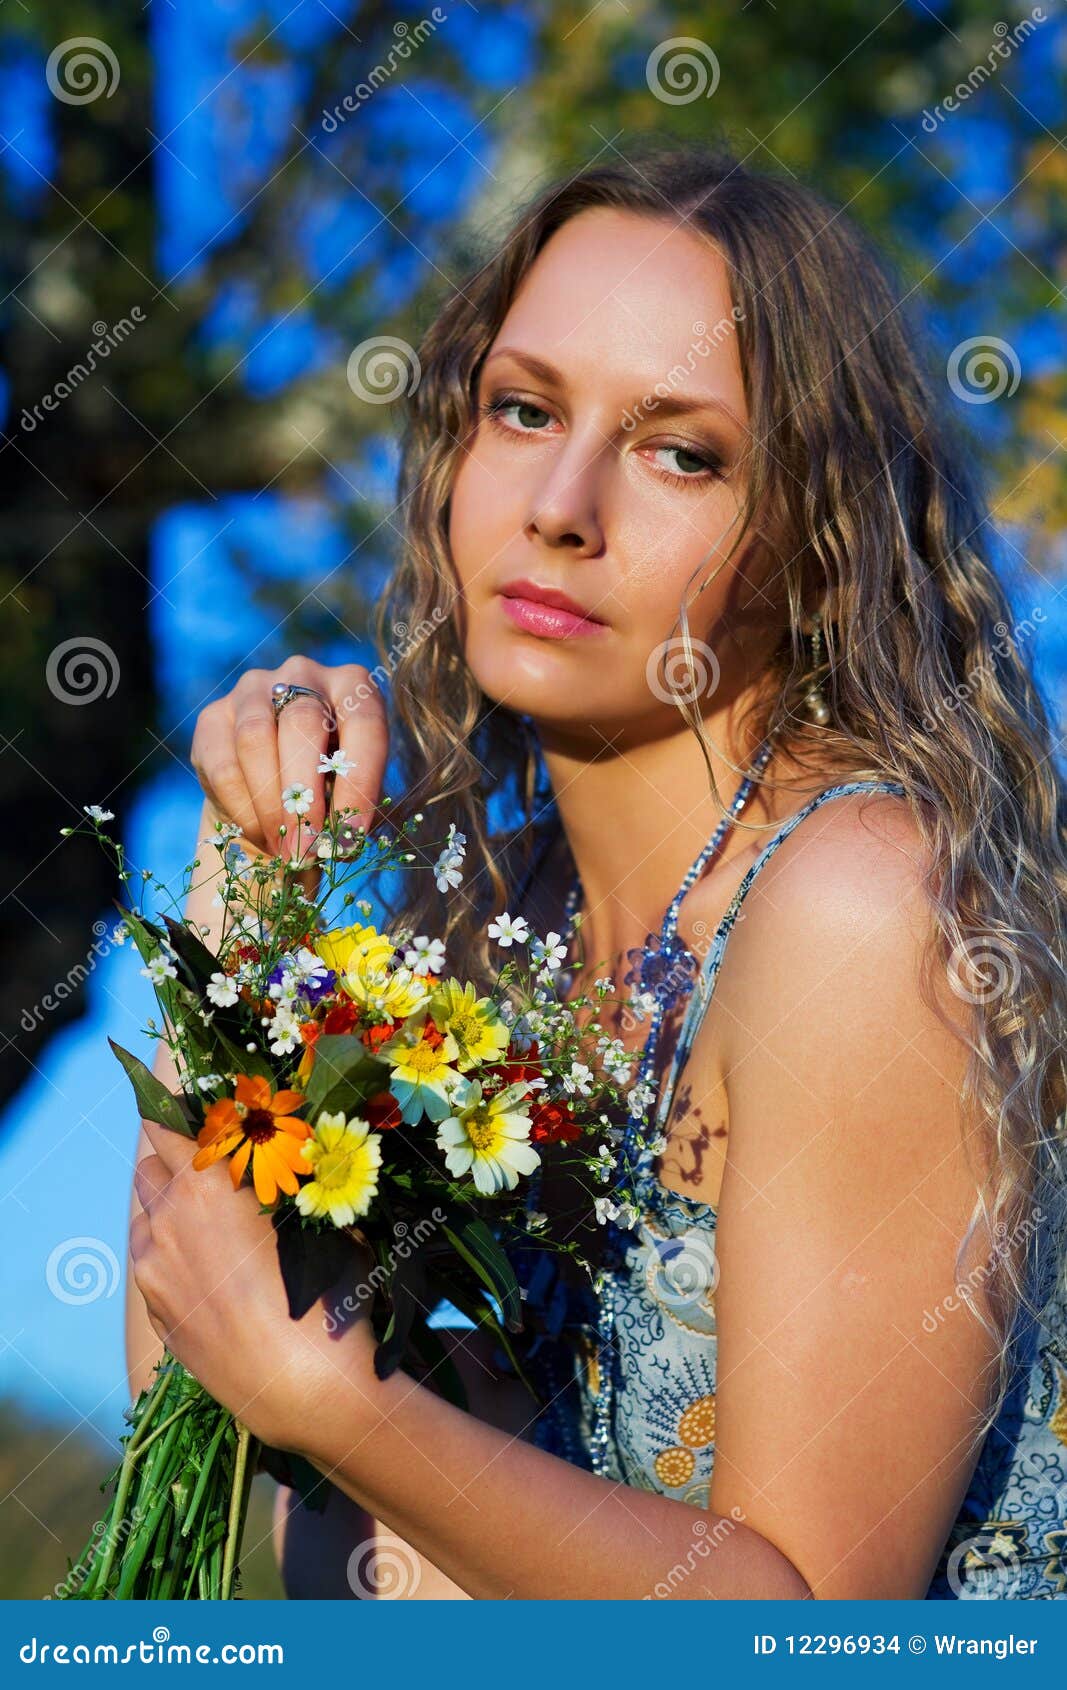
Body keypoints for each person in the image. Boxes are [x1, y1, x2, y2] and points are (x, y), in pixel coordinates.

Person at [126, 140, 1067, 1600]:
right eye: (523, 410)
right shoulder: (473, 929)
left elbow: (805, 1632)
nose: (563, 505)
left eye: (680, 450)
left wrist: (343, 1408)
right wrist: (248, 894)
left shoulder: (859, 902)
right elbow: (185, 1428)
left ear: (818, 543)